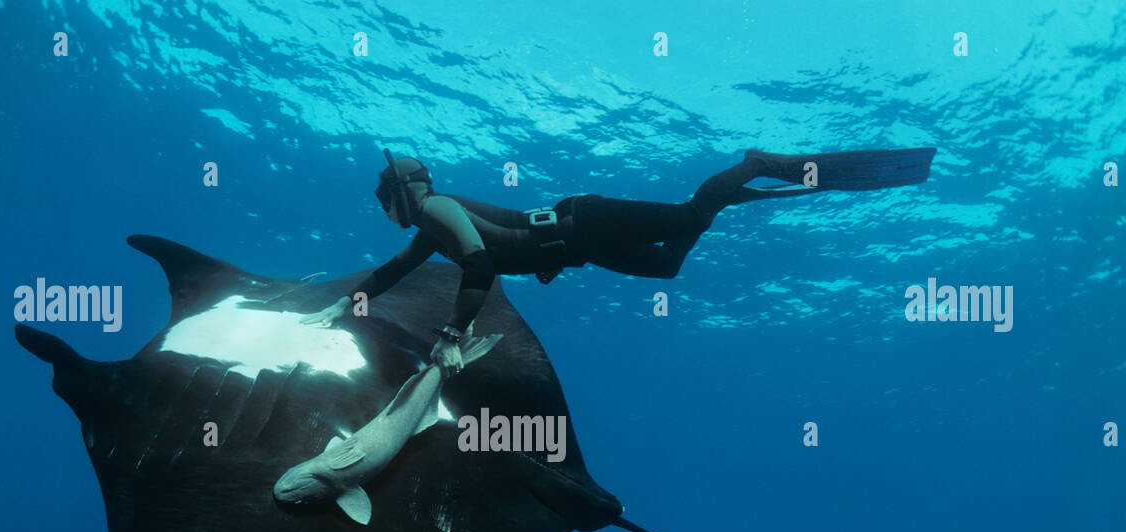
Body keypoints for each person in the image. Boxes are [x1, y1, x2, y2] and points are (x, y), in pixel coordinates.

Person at [309, 147, 936, 377]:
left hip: (588, 221)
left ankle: (751, 167)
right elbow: (393, 272)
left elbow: (479, 266)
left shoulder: (436, 210)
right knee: (670, 267)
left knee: (688, 219)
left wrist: (452, 335)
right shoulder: (427, 228)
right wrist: (348, 300)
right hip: (583, 244)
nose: (382, 208)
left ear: (401, 189)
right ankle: (727, 194)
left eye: (381, 197)